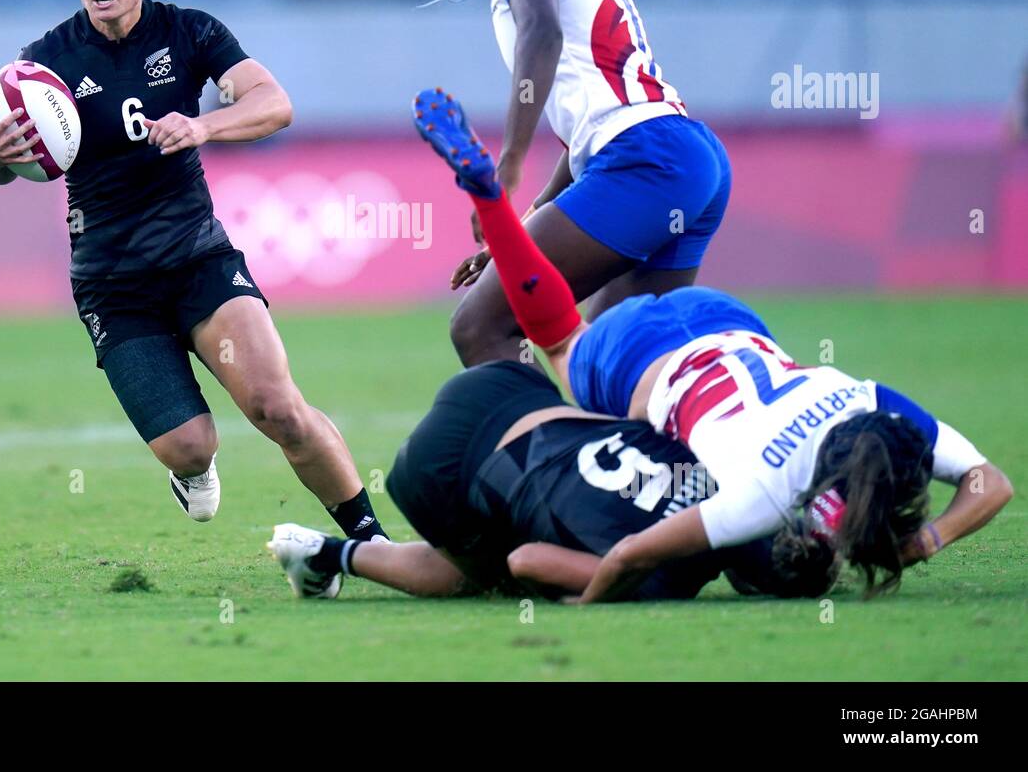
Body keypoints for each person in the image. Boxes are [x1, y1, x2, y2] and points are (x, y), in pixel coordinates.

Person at [413, 91, 1014, 602]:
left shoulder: (863, 398)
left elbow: (990, 481)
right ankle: (493, 206)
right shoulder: (760, 497)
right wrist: (588, 600)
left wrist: (920, 536)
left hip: (723, 319)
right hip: (642, 362)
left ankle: (517, 199)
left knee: (574, 326)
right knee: (562, 339)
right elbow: (625, 557)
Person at [0, 0, 386, 542]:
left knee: (279, 409)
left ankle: (373, 542)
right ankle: (190, 469)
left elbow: (273, 103)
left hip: (197, 258)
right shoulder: (42, 63)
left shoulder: (189, 32)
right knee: (190, 445)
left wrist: (202, 127)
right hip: (112, 281)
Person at [412, 0, 730, 366]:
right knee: (623, 365)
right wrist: (531, 216)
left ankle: (541, 450)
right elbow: (595, 128)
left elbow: (543, 33)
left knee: (482, 325)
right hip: (689, 157)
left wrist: (508, 164)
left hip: (646, 160)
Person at [266, 360, 838, 602]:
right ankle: (327, 557)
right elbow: (528, 563)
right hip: (440, 470)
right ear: (750, 582)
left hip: (505, 385)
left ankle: (327, 553)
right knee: (484, 576)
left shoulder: (722, 462)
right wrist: (596, 594)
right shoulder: (666, 575)